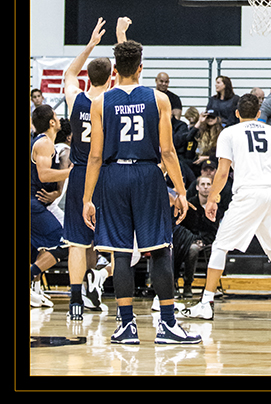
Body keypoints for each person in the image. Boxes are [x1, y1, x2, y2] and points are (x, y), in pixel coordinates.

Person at [82, 38, 201, 345]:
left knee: (121, 253)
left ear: (115, 70)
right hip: (148, 174)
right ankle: (168, 325)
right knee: (160, 248)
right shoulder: (158, 99)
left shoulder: (100, 102)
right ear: (140, 68)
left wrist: (87, 198)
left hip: (113, 175)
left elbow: (94, 156)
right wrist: (180, 191)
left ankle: (125, 326)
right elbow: (168, 150)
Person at [182, 93, 271, 322]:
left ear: (237, 113)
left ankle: (206, 303)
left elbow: (222, 172)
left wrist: (211, 199)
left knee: (220, 246)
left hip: (248, 194)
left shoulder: (229, 132)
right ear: (259, 114)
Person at [61, 16, 114, 321]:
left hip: (80, 173)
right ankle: (109, 283)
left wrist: (90, 45)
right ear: (110, 77)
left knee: (77, 243)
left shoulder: (76, 99)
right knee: (119, 241)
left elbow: (69, 72)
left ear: (89, 77)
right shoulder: (115, 101)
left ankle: (75, 300)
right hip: (107, 173)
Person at [30, 105, 73, 308]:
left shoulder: (45, 143)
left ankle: (34, 289)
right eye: (55, 115)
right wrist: (72, 172)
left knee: (37, 248)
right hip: (32, 203)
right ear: (51, 122)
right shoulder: (46, 143)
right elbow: (44, 174)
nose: (58, 118)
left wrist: (56, 192)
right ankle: (32, 277)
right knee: (64, 242)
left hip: (36, 201)